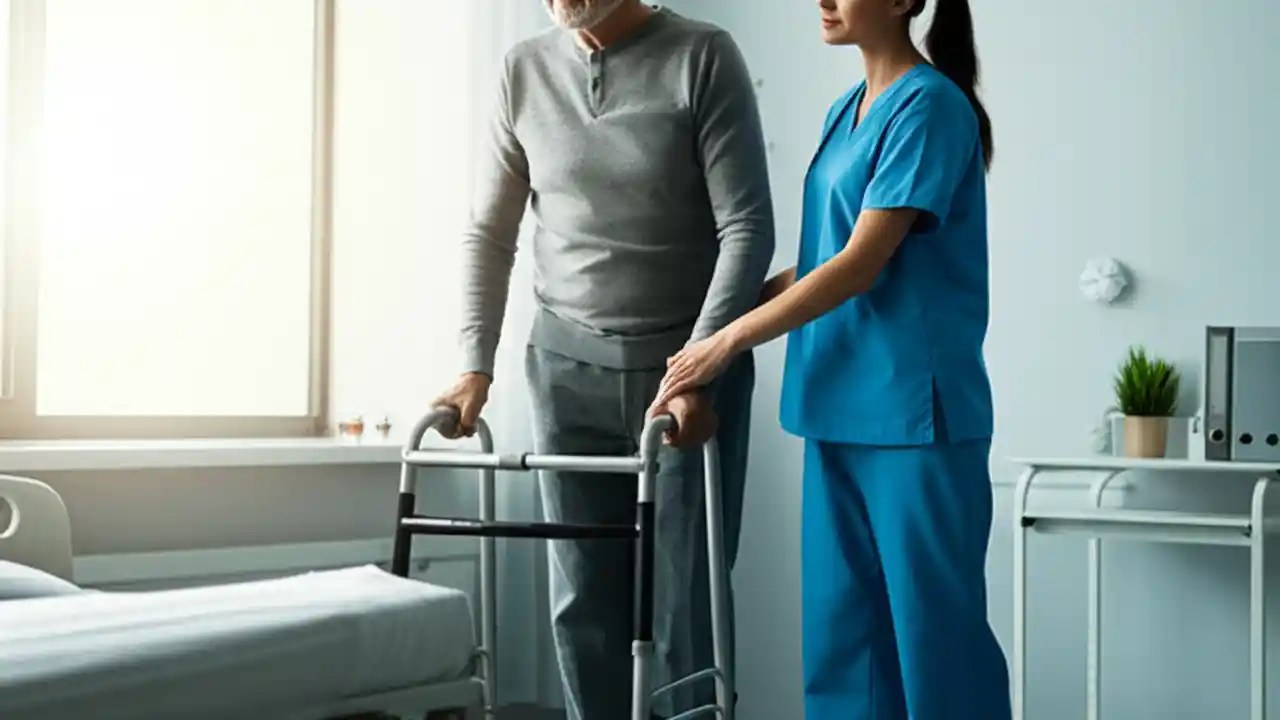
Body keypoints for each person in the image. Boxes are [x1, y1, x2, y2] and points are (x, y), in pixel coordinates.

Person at [649, 0, 1011, 717]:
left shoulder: (931, 107)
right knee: (845, 646)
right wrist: (726, 310)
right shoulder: (846, 109)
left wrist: (729, 340)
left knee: (936, 644)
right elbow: (820, 260)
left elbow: (861, 263)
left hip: (915, 418)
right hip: (836, 408)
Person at [433, 1, 774, 718]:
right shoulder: (522, 70)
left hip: (684, 372)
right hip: (566, 371)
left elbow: (746, 229)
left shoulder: (701, 56)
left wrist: (698, 368)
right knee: (584, 595)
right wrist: (475, 367)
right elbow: (490, 235)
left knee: (688, 602)